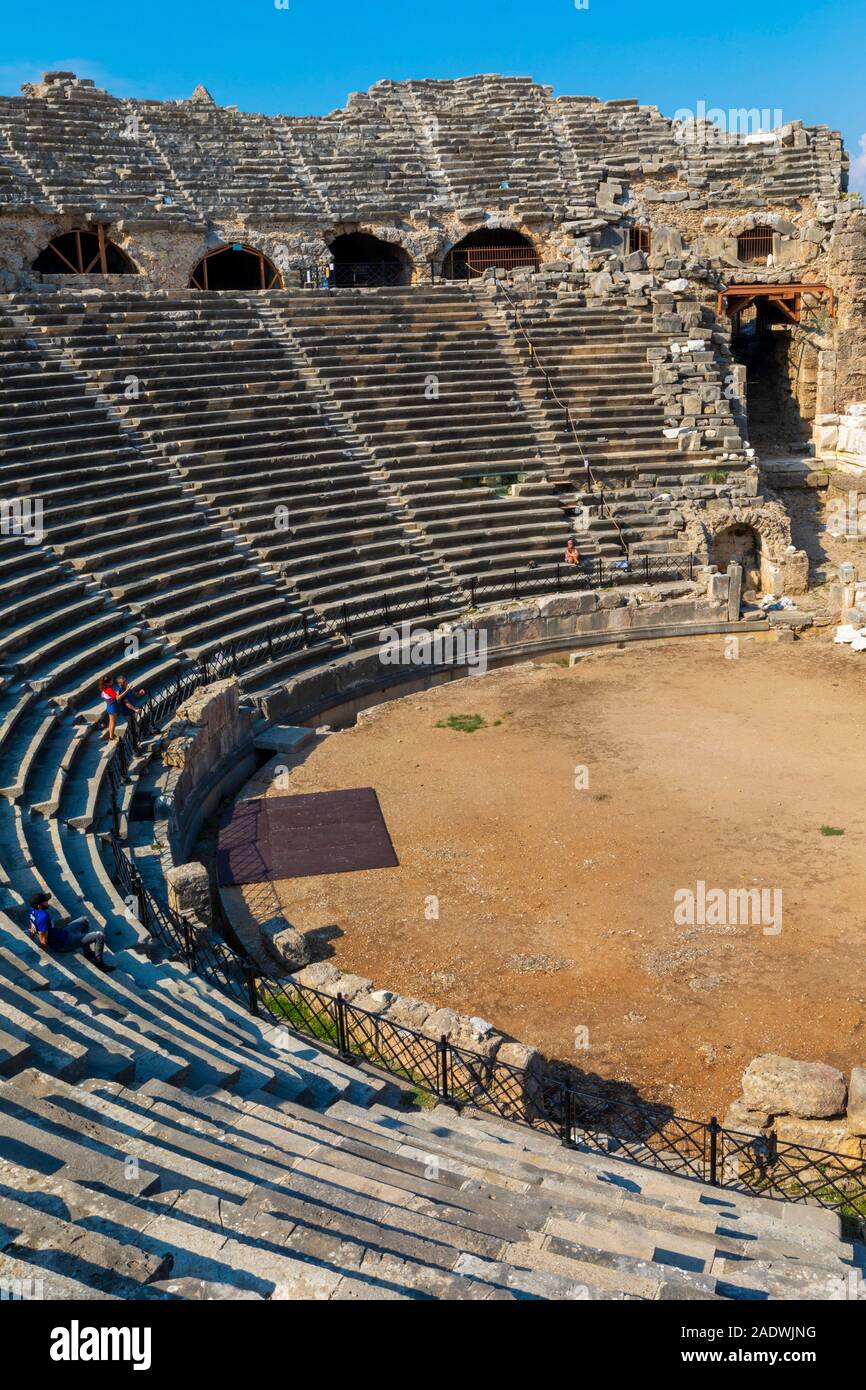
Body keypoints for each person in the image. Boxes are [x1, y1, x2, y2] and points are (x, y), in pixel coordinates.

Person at [28, 891, 114, 973]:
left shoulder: (33, 910)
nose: (47, 902)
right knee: (100, 935)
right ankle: (99, 963)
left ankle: (87, 953)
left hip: (62, 934)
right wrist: (43, 957)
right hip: (63, 943)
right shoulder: (43, 916)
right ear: (39, 906)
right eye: (45, 901)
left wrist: (30, 939)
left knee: (85, 920)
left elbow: (32, 927)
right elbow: (42, 941)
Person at [100, 676, 118, 741]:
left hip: (109, 706)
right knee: (113, 722)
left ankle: (111, 736)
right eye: (111, 681)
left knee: (111, 722)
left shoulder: (104, 689)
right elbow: (117, 697)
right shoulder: (109, 689)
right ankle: (111, 737)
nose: (112, 681)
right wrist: (126, 690)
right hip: (112, 706)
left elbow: (102, 695)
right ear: (108, 683)